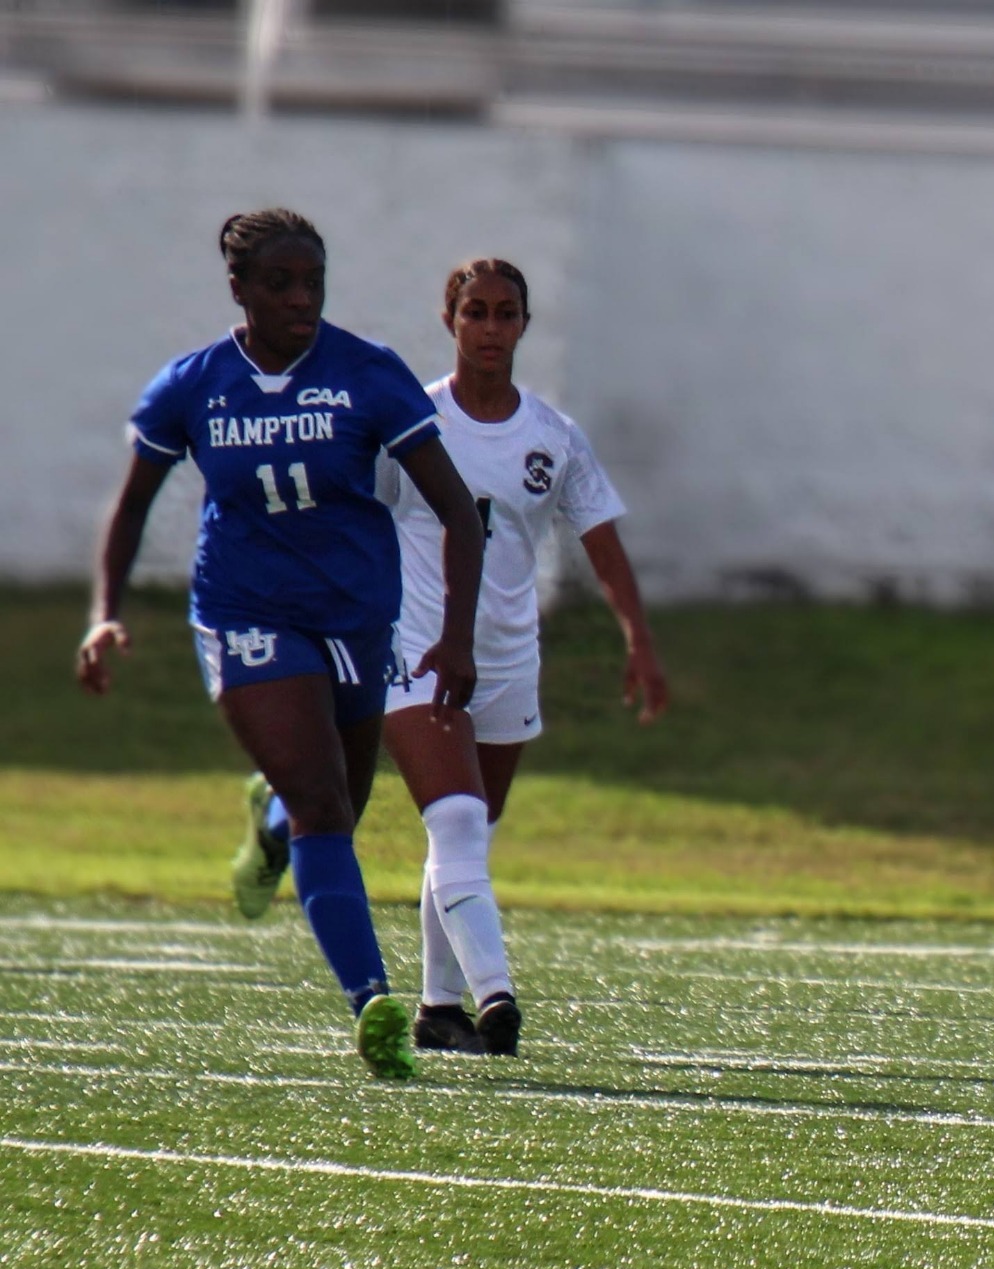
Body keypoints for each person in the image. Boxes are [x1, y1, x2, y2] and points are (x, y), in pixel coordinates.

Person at [78, 209, 485, 1079]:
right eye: (281, 285)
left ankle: (267, 822)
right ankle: (371, 1000)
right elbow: (131, 507)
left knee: (338, 795)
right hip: (245, 612)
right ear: (240, 290)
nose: (302, 300)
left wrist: (454, 637)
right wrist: (104, 609)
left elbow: (458, 512)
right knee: (325, 805)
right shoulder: (193, 386)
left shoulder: (369, 375)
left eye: (313, 283)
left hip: (356, 615)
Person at [233, 257, 667, 1058]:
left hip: (506, 657)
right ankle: (496, 995)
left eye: (507, 314)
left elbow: (600, 542)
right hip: (415, 645)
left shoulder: (553, 438)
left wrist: (638, 639)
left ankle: (438, 1007)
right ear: (450, 321)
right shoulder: (414, 423)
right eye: (476, 312)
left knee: (465, 837)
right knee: (458, 818)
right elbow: (349, 517)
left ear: (524, 326)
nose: (491, 328)